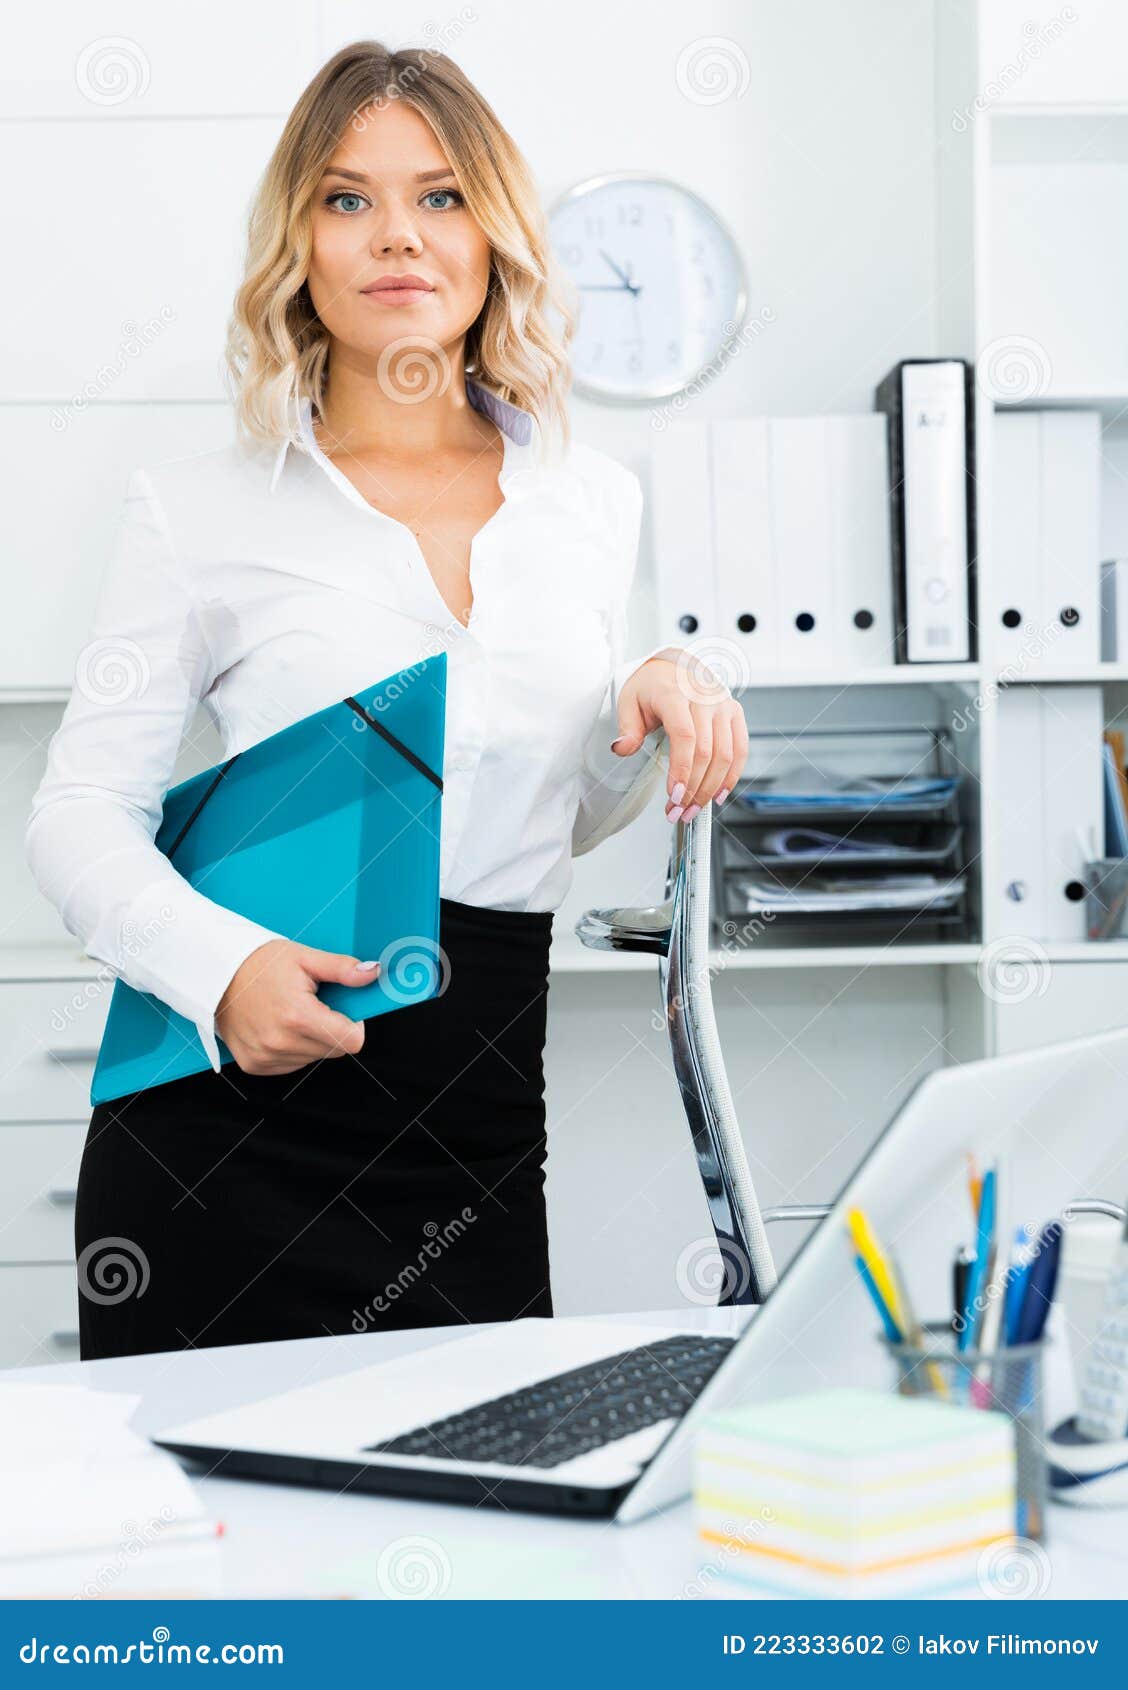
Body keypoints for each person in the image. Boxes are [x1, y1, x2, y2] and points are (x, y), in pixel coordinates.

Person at [25, 40, 748, 1360]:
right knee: (219, 1555)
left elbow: (555, 815)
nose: (397, 236)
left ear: (496, 233)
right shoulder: (203, 505)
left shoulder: (593, 501)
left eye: (442, 195)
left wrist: (637, 698)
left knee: (478, 1511)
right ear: (299, 244)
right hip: (224, 1118)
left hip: (467, 1123)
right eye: (347, 199)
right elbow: (77, 812)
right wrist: (219, 968)